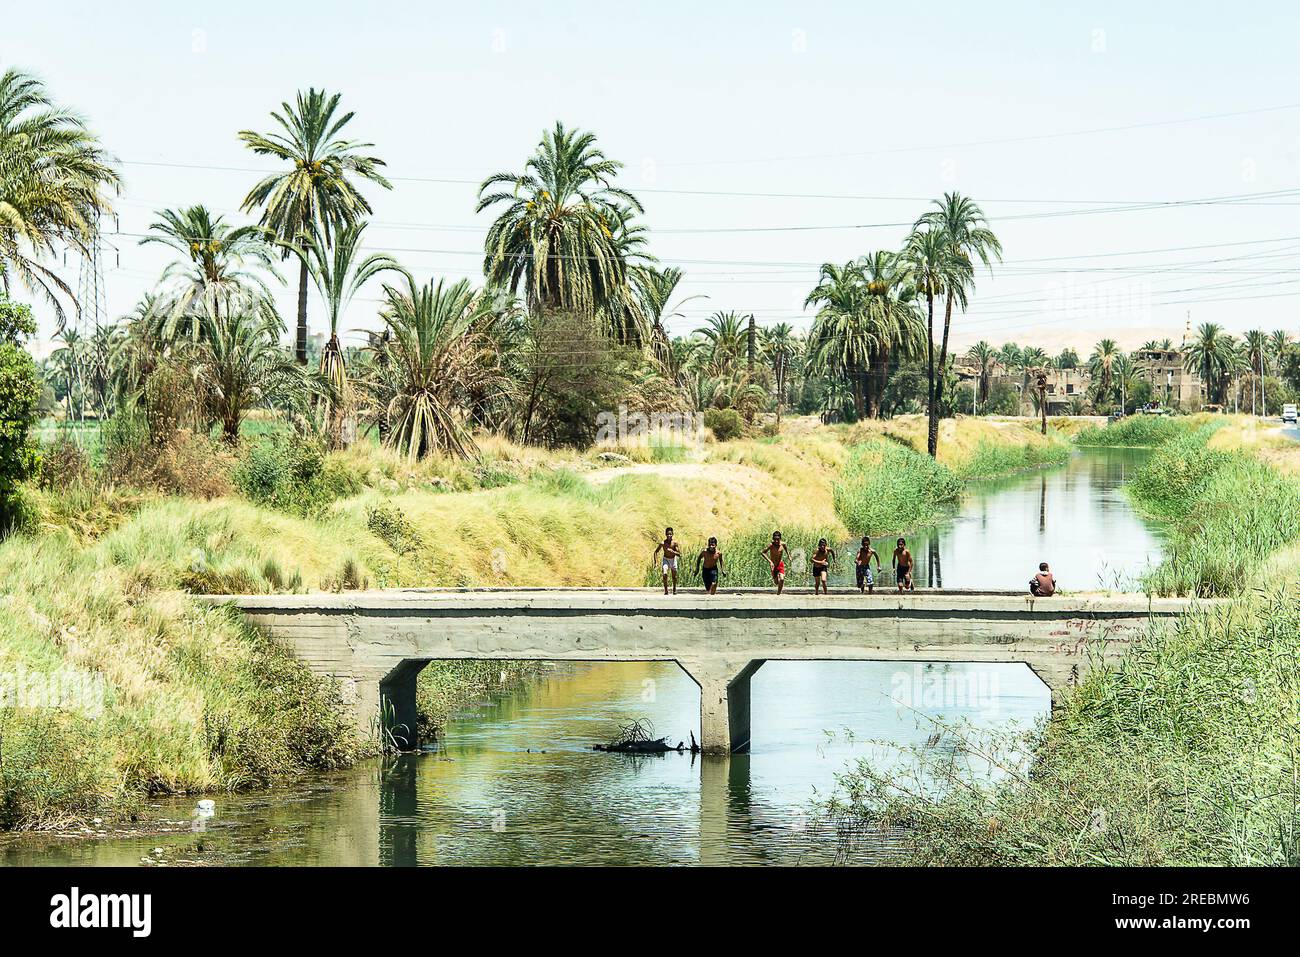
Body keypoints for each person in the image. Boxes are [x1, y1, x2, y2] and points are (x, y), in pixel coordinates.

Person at [652, 527, 682, 595]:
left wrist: (673, 551)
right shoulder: (663, 543)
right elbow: (656, 552)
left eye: (670, 534)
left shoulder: (674, 543)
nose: (669, 536)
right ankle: (666, 590)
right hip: (666, 559)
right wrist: (656, 562)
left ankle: (674, 589)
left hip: (673, 560)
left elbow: (679, 554)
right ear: (665, 534)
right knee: (665, 574)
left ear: (672, 534)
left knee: (674, 576)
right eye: (668, 534)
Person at [762, 531, 790, 595]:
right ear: (773, 539)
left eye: (778, 539)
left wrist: (789, 555)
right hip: (773, 565)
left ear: (780, 538)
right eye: (775, 539)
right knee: (776, 582)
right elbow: (763, 552)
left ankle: (778, 594)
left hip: (780, 564)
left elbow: (786, 549)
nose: (776, 541)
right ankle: (778, 587)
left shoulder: (783, 544)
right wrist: (770, 562)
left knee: (782, 579)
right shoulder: (771, 545)